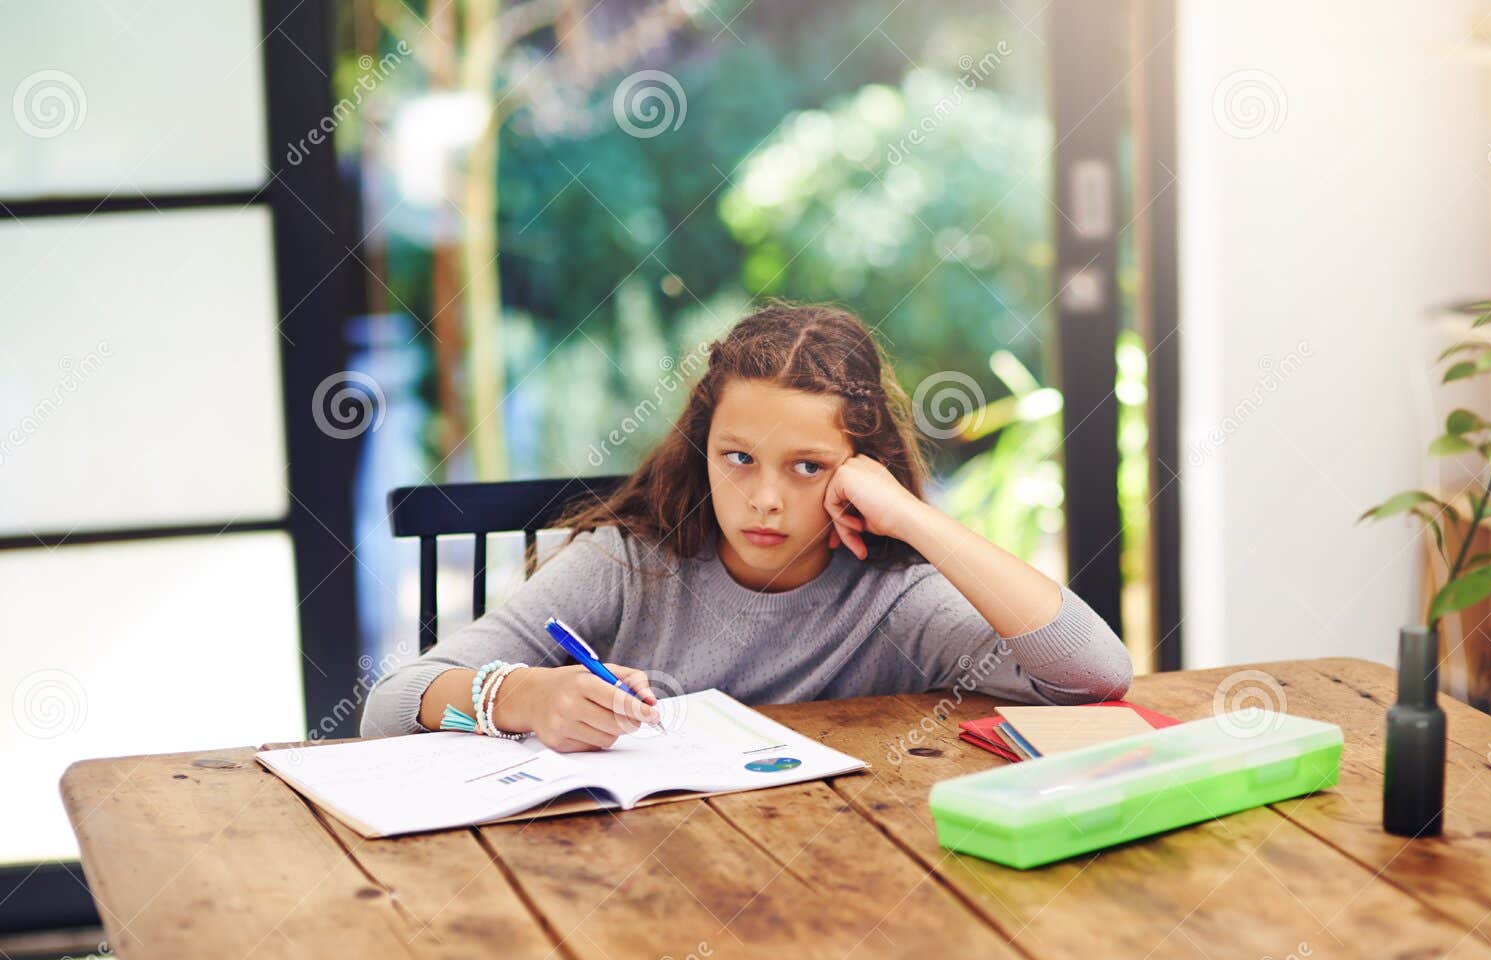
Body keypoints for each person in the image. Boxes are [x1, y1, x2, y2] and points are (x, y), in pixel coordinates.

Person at [360, 302, 1132, 749]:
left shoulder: (893, 601)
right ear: (702, 451)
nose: (765, 499)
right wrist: (525, 697)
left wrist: (914, 519)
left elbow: (1095, 675)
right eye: (738, 459)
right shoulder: (627, 567)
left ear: (862, 471)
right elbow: (389, 707)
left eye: (807, 467)